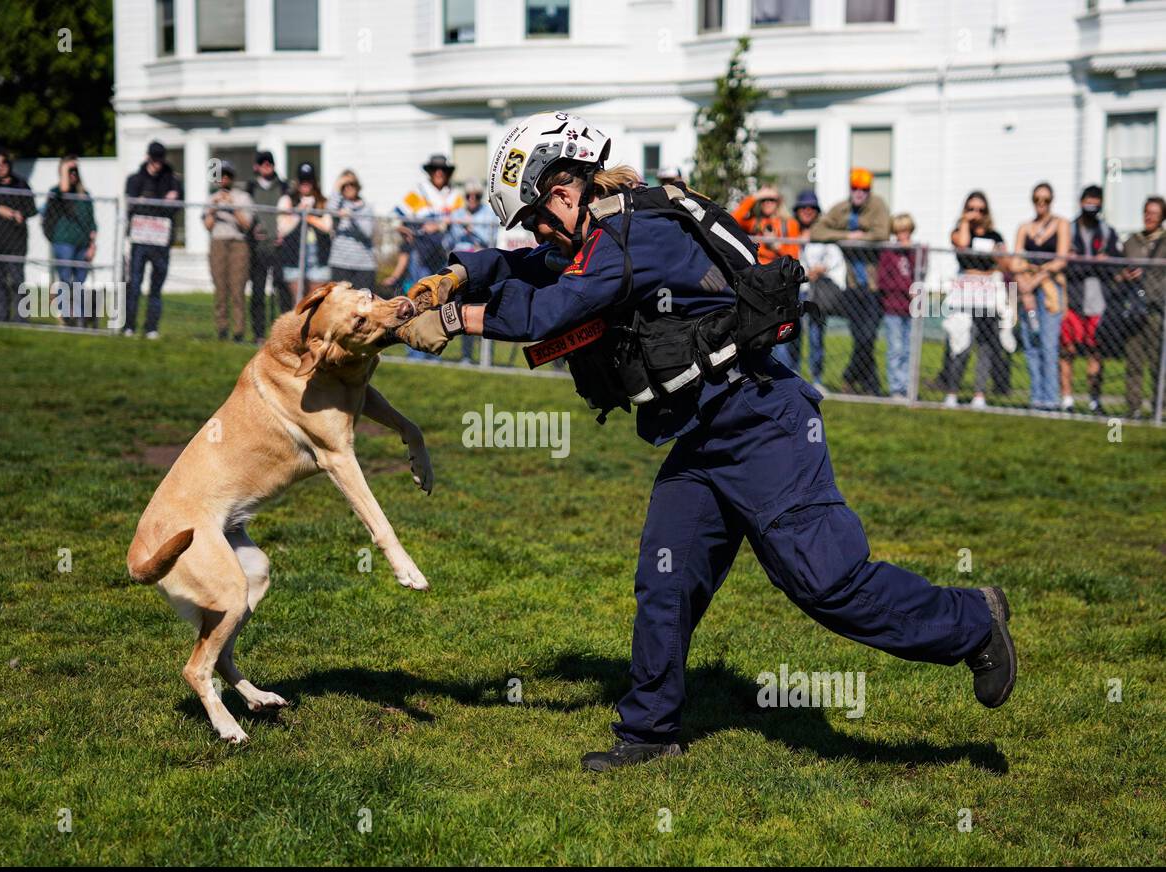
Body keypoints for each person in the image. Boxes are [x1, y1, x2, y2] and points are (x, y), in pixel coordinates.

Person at [392, 112, 1017, 770]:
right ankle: (651, 732)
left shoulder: (637, 234)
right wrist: (462, 272)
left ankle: (973, 621)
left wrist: (458, 318)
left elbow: (551, 308)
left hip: (759, 424)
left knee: (827, 584)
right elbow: (531, 263)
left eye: (536, 215)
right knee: (666, 580)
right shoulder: (603, 231)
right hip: (703, 435)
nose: (538, 232)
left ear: (563, 190)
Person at [811, 168, 891, 396]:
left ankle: (851, 377)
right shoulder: (842, 208)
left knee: (868, 336)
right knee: (860, 336)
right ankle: (870, 387)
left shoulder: (878, 205)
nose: (859, 193)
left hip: (874, 286)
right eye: (855, 188)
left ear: (869, 190)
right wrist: (847, 236)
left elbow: (881, 233)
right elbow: (818, 230)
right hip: (852, 286)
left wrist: (859, 237)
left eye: (863, 189)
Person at [937, 191, 1010, 409]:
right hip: (964, 291)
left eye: (980, 209)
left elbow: (1002, 262)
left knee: (985, 344)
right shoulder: (958, 232)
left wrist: (998, 258)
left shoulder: (994, 235)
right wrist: (965, 222)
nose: (976, 213)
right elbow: (963, 244)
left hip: (988, 292)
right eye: (971, 208)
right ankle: (952, 392)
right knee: (960, 342)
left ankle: (979, 395)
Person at [389, 153, 463, 358]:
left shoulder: (454, 195)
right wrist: (408, 231)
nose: (439, 173)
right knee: (416, 298)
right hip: (421, 255)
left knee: (437, 301)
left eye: (443, 170)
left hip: (444, 255)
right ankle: (414, 350)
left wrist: (439, 225)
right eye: (435, 170)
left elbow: (460, 222)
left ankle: (432, 348)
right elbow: (395, 216)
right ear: (430, 172)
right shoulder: (418, 192)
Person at [1011, 182, 1069, 411]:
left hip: (1050, 290)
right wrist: (1024, 287)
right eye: (1037, 200)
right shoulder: (1025, 228)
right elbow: (1016, 259)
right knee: (1030, 342)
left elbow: (1061, 259)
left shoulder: (1061, 224)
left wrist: (1037, 278)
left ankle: (1051, 397)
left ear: (1051, 201)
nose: (1041, 205)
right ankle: (1036, 396)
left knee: (1048, 343)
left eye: (1045, 200)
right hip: (1027, 290)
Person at [1062, 185, 1120, 413]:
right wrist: (1091, 262)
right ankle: (1067, 400)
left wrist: (1090, 261)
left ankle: (1094, 400)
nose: (1091, 206)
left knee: (1096, 351)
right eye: (1088, 201)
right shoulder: (1069, 229)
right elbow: (1066, 261)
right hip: (1073, 299)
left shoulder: (1107, 232)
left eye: (1096, 202)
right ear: (1080, 202)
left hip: (1098, 301)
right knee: (1068, 350)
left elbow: (1115, 261)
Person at [780, 190, 843, 390]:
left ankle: (816, 379)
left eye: (811, 208)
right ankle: (793, 374)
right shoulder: (790, 230)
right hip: (794, 290)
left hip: (816, 292)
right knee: (792, 336)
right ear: (797, 210)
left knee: (816, 337)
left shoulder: (823, 232)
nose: (807, 211)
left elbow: (835, 257)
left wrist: (821, 269)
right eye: (803, 207)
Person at [124, 141, 182, 339]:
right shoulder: (135, 179)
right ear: (148, 157)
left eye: (160, 159)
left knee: (156, 286)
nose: (157, 163)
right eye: (154, 158)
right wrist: (161, 201)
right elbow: (133, 205)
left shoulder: (171, 179)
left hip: (161, 241)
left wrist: (148, 201)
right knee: (135, 283)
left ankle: (151, 327)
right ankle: (129, 325)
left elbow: (174, 206)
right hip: (140, 240)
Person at [1115, 196, 1166, 419]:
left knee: (1158, 362)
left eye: (1154, 213)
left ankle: (1160, 407)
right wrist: (1124, 275)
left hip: (1158, 309)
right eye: (1147, 212)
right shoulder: (1130, 242)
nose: (1149, 217)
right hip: (1135, 308)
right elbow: (1115, 274)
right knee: (1134, 361)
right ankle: (1133, 408)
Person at [446, 180, 500, 363]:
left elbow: (490, 241)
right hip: (461, 267)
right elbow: (449, 242)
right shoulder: (457, 214)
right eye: (468, 196)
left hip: (482, 268)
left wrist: (470, 229)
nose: (472, 200)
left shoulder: (488, 215)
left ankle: (486, 359)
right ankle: (466, 356)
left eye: (476, 196)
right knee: (463, 310)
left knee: (485, 310)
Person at [42, 155, 97, 326]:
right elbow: (64, 189)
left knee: (80, 282)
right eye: (70, 171)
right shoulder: (57, 192)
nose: (73, 174)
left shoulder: (84, 195)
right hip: (63, 242)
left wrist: (92, 245)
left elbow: (92, 222)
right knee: (65, 279)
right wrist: (65, 167)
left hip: (82, 243)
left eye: (75, 171)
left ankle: (80, 317)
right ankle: (67, 315)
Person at [0, 150, 36, 323]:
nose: (1, 167)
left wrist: (21, 214)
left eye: (4, 162)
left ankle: (22, 317)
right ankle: (0, 315)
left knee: (17, 280)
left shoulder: (21, 184)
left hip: (16, 241)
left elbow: (32, 208)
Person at [202, 160, 252, 342]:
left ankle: (238, 332)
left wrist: (233, 206)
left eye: (227, 175)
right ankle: (222, 330)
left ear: (231, 177)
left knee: (237, 290)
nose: (223, 179)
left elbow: (247, 224)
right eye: (220, 176)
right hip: (218, 243)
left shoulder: (243, 197)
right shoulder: (210, 198)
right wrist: (213, 208)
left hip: (238, 244)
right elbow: (208, 226)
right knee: (220, 289)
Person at [246, 150, 289, 344]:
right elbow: (245, 213)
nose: (266, 166)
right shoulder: (250, 187)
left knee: (282, 290)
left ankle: (284, 331)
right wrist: (252, 229)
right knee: (258, 291)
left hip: (280, 248)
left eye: (269, 163)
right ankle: (259, 333)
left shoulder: (284, 187)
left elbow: (290, 211)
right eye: (262, 163)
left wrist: (284, 231)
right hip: (258, 249)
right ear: (257, 166)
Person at [276, 162, 331, 304]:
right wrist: (299, 211)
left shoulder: (322, 202)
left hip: (318, 258)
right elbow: (283, 228)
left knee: (316, 303)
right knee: (299, 302)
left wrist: (309, 216)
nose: (305, 184)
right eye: (302, 181)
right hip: (294, 258)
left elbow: (327, 227)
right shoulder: (287, 200)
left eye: (308, 181)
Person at [877, 213, 918, 397]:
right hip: (893, 307)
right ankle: (896, 387)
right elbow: (884, 281)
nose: (904, 236)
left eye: (907, 231)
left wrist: (910, 253)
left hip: (911, 308)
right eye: (900, 231)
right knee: (896, 348)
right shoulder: (889, 252)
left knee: (909, 349)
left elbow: (920, 273)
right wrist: (906, 288)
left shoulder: (915, 252)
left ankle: (908, 386)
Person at [327, 169, 378, 291]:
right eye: (345, 185)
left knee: (363, 305)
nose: (348, 188)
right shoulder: (338, 205)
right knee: (340, 303)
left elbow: (367, 232)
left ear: (357, 186)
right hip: (340, 263)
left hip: (364, 265)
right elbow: (329, 210)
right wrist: (337, 185)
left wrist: (352, 218)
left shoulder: (366, 207)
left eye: (352, 184)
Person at [730, 185, 801, 265]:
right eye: (764, 199)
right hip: (757, 269)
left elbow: (794, 257)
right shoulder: (755, 222)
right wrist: (755, 197)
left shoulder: (789, 223)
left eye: (771, 199)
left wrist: (776, 246)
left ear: (778, 202)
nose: (767, 203)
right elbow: (732, 220)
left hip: (778, 271)